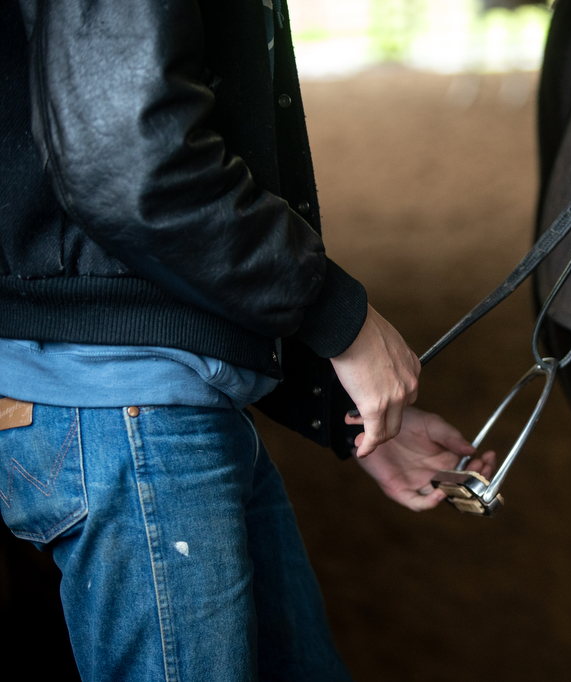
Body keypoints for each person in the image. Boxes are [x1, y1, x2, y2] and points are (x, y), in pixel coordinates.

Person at [0, 0, 493, 679]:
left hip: (164, 404)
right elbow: (123, 156)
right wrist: (337, 317)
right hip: (130, 412)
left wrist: (344, 407)